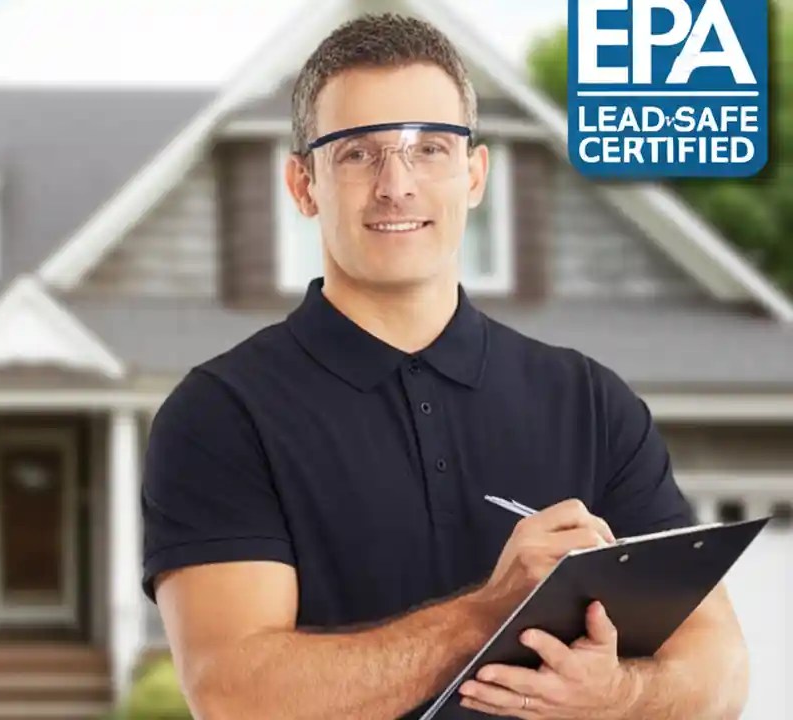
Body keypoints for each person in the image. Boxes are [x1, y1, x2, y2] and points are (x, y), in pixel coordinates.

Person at [140, 12, 749, 720]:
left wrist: (619, 695)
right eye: (358, 153)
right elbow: (236, 696)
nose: (396, 185)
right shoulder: (221, 414)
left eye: (429, 147)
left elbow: (720, 670)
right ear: (304, 185)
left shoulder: (591, 403)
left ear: (474, 174)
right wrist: (484, 615)